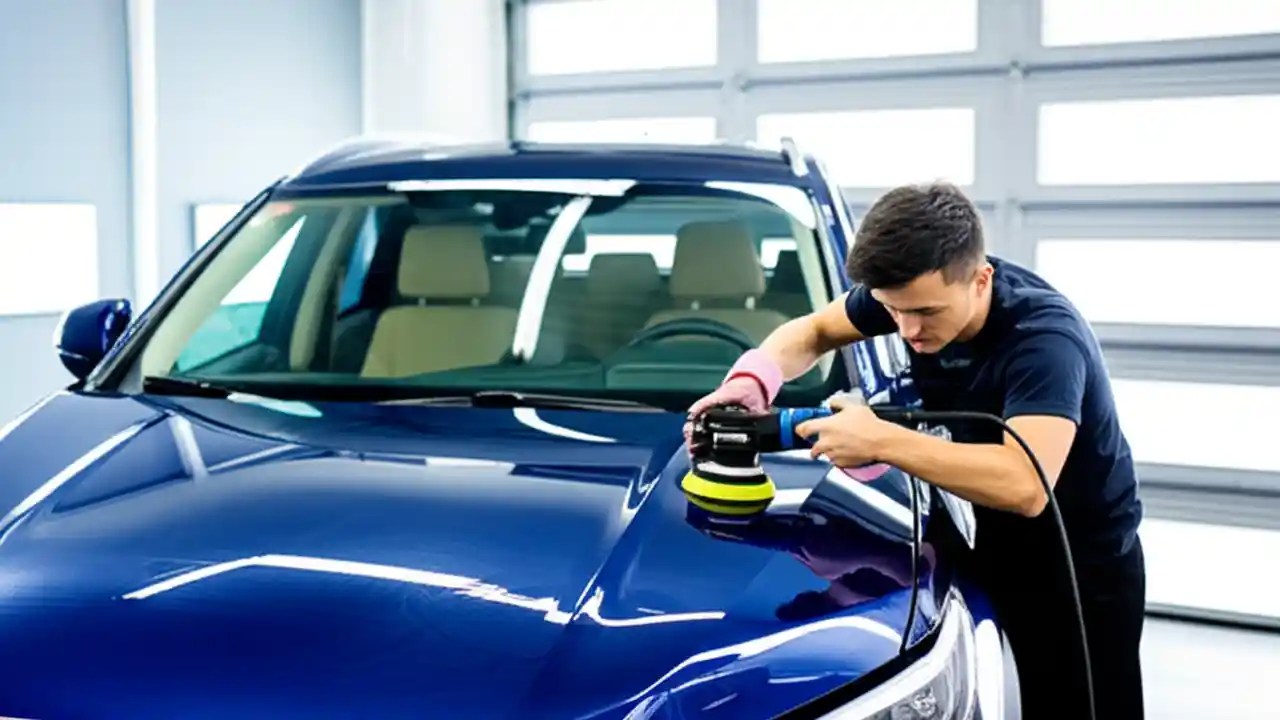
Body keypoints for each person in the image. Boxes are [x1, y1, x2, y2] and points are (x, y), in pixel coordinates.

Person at [684, 182, 1145, 719]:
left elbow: (1025, 485)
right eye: (891, 311)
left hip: (1081, 560)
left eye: (924, 312)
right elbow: (813, 330)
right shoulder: (911, 292)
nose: (906, 330)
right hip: (992, 536)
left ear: (980, 280)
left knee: (1081, 706)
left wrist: (881, 439)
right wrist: (754, 379)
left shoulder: (1044, 340)